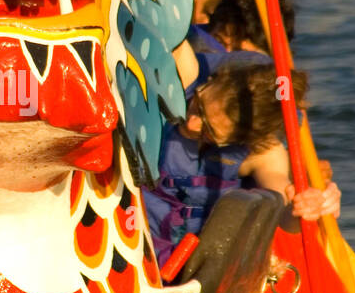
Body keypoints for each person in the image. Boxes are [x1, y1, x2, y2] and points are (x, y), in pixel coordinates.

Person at [145, 56, 340, 267]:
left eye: (210, 131)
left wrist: (305, 208)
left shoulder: (263, 153)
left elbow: (283, 206)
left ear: (243, 138)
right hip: (137, 241)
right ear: (210, 82)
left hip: (197, 266)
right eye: (199, 105)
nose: (192, 123)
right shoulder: (182, 80)